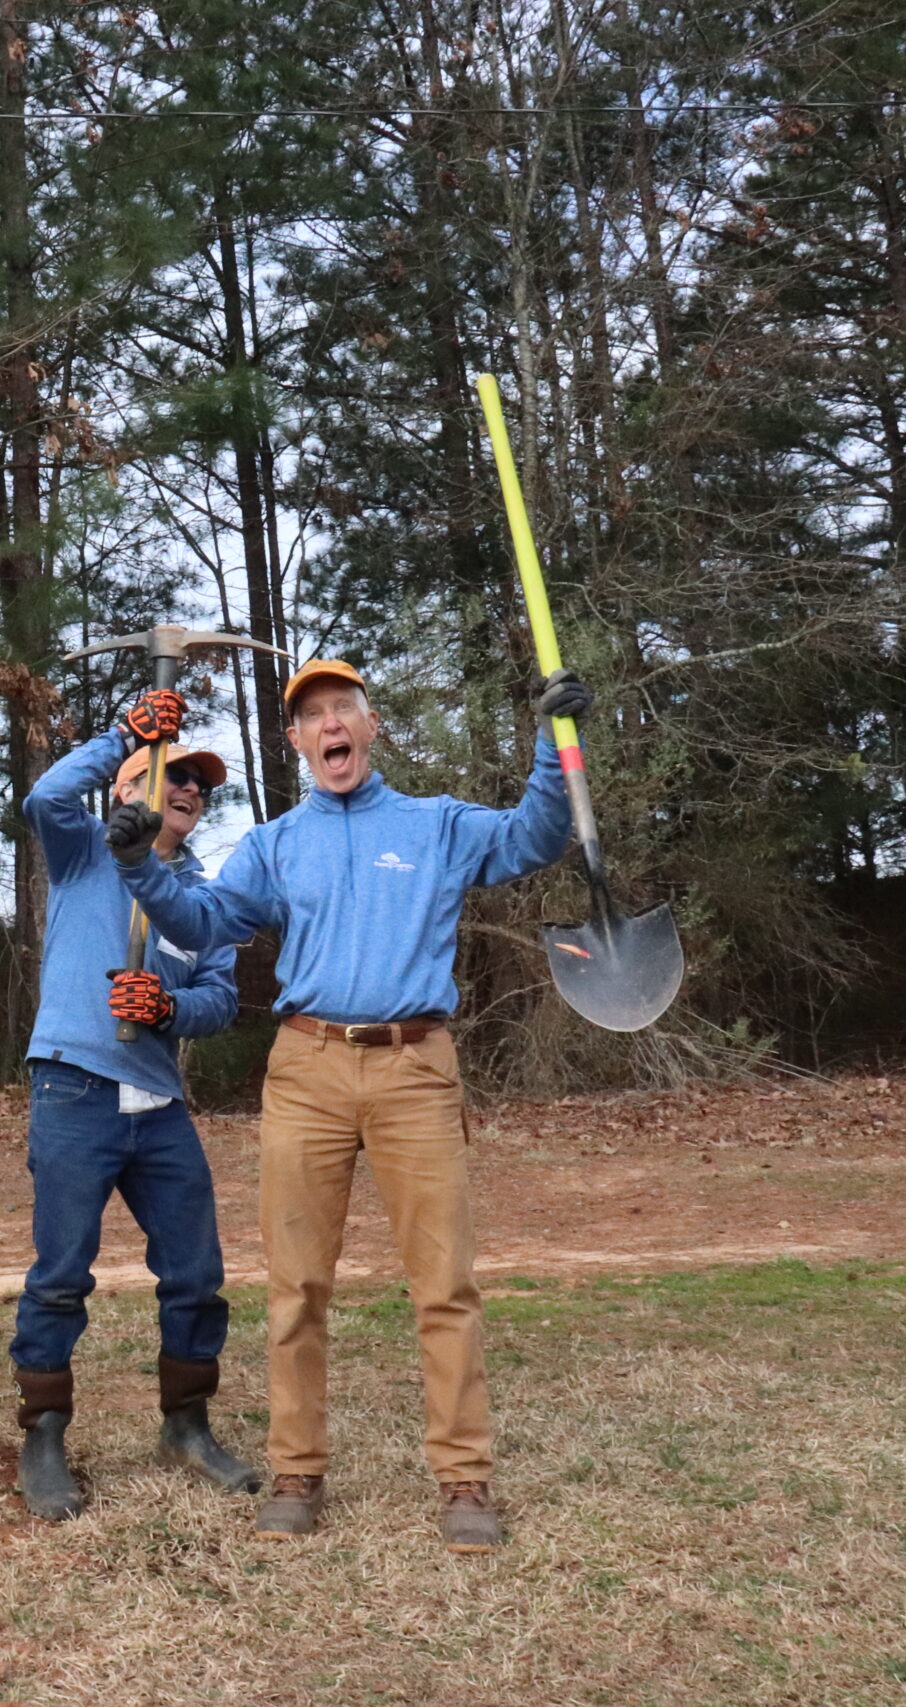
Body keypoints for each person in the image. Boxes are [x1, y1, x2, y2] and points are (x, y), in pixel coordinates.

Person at [106, 660, 589, 1552]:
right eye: (311, 718)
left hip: (416, 1068)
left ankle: (465, 1477)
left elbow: (536, 836)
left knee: (444, 1283)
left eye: (343, 711)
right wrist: (138, 861)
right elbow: (202, 920)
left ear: (371, 728)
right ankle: (296, 1467)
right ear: (296, 742)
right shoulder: (275, 843)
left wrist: (554, 741)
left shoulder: (437, 824)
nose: (330, 727)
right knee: (296, 1283)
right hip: (308, 1069)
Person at [11, 687, 259, 1520]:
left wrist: (169, 1009)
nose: (186, 788)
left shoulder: (206, 899)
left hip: (158, 1101)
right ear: (124, 788)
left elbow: (222, 1001)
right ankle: (43, 1434)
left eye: (198, 783)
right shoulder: (80, 849)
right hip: (72, 1086)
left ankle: (186, 1425)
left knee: (195, 1271)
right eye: (168, 772)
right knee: (60, 1274)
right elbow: (43, 795)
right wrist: (123, 731)